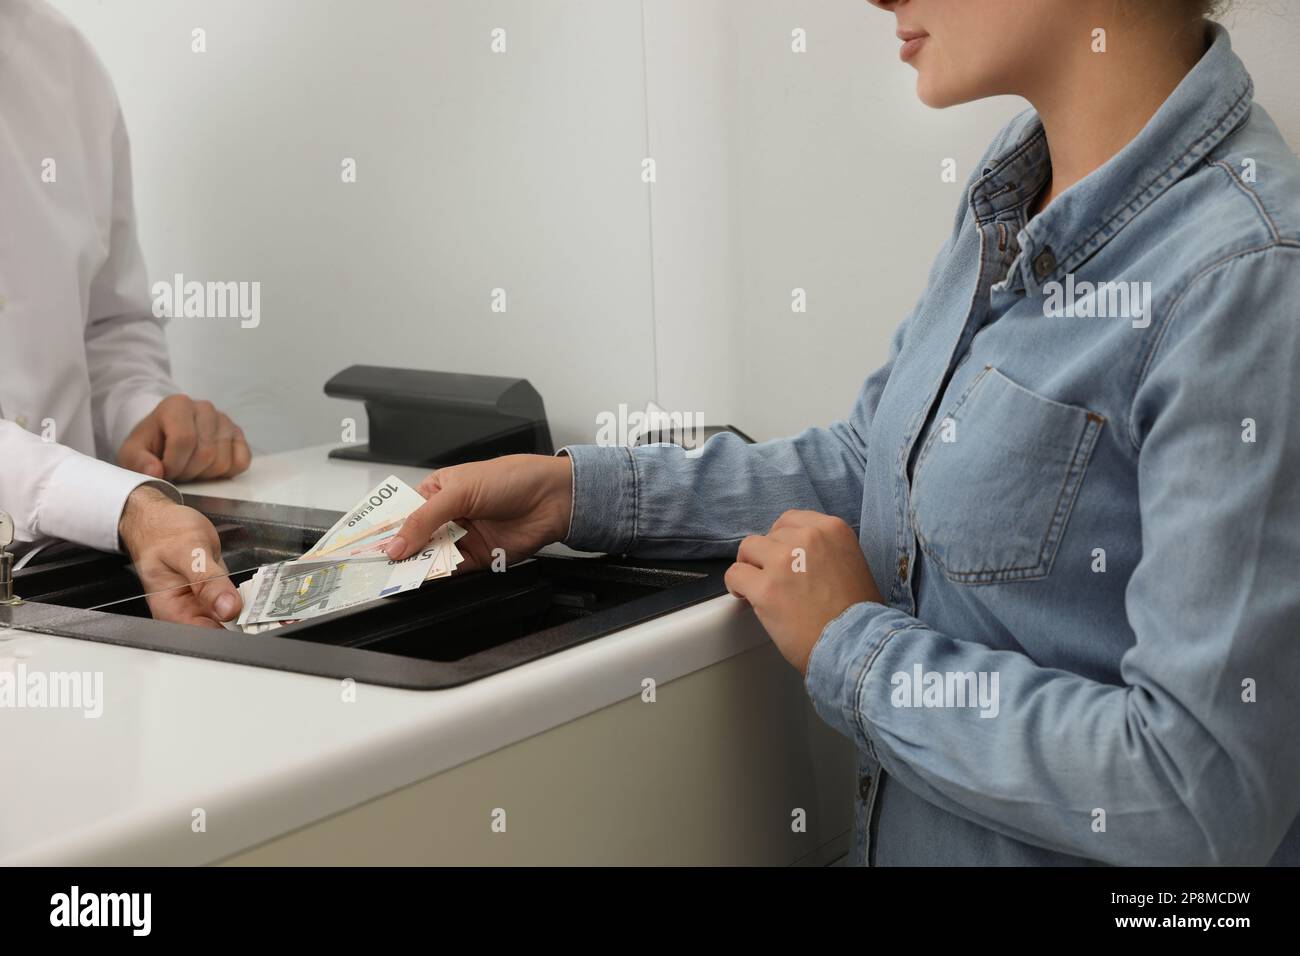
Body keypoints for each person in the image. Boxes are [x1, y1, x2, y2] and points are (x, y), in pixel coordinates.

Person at [390, 0, 1300, 865]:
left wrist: (857, 651)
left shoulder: (1245, 282)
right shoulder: (1013, 191)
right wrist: (577, 494)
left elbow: (1199, 792)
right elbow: (880, 468)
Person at [0, 0, 247, 627]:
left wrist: (147, 418)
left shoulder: (60, 56)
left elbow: (108, 328)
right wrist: (124, 504)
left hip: (67, 588)